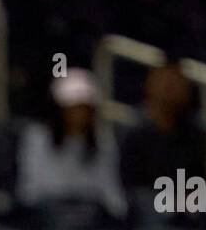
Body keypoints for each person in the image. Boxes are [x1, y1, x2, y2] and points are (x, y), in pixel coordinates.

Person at [15, 67, 126, 217]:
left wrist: (118, 213)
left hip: (89, 217)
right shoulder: (37, 138)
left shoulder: (103, 142)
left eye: (83, 108)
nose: (78, 115)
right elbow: (30, 190)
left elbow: (110, 190)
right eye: (72, 108)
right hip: (47, 215)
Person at [119, 61, 206, 191]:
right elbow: (130, 186)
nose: (173, 89)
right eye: (168, 84)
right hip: (146, 202)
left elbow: (197, 181)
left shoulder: (194, 134)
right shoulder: (134, 132)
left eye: (178, 83)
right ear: (151, 85)